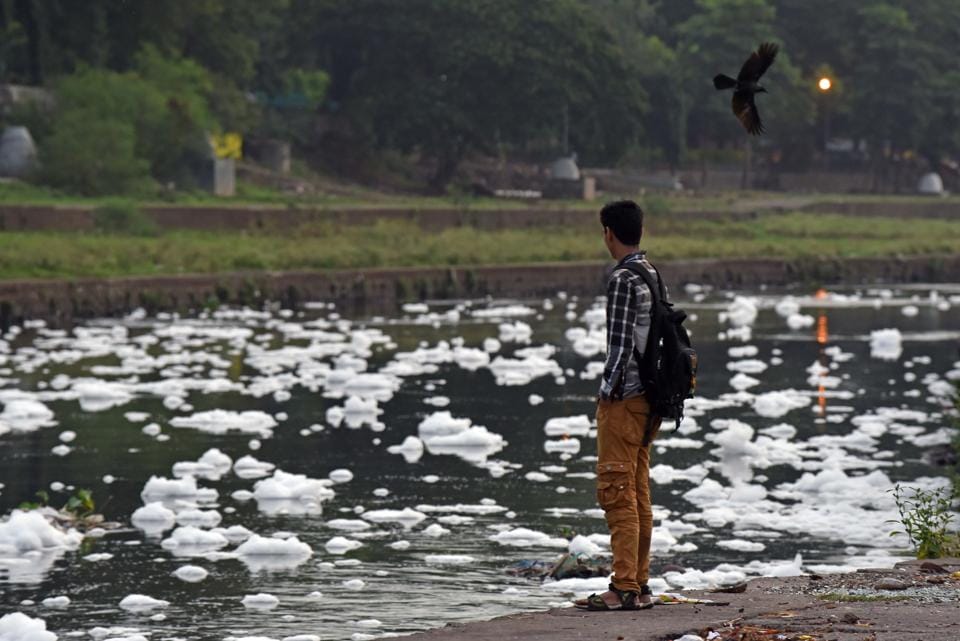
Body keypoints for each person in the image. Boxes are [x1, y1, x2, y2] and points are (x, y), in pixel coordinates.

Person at [576, 200, 663, 611]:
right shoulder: (650, 272)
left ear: (609, 232)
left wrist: (605, 394)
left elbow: (620, 345)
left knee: (617, 492)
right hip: (648, 400)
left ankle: (624, 586)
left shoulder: (624, 279)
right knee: (638, 492)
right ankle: (639, 584)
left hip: (625, 399)